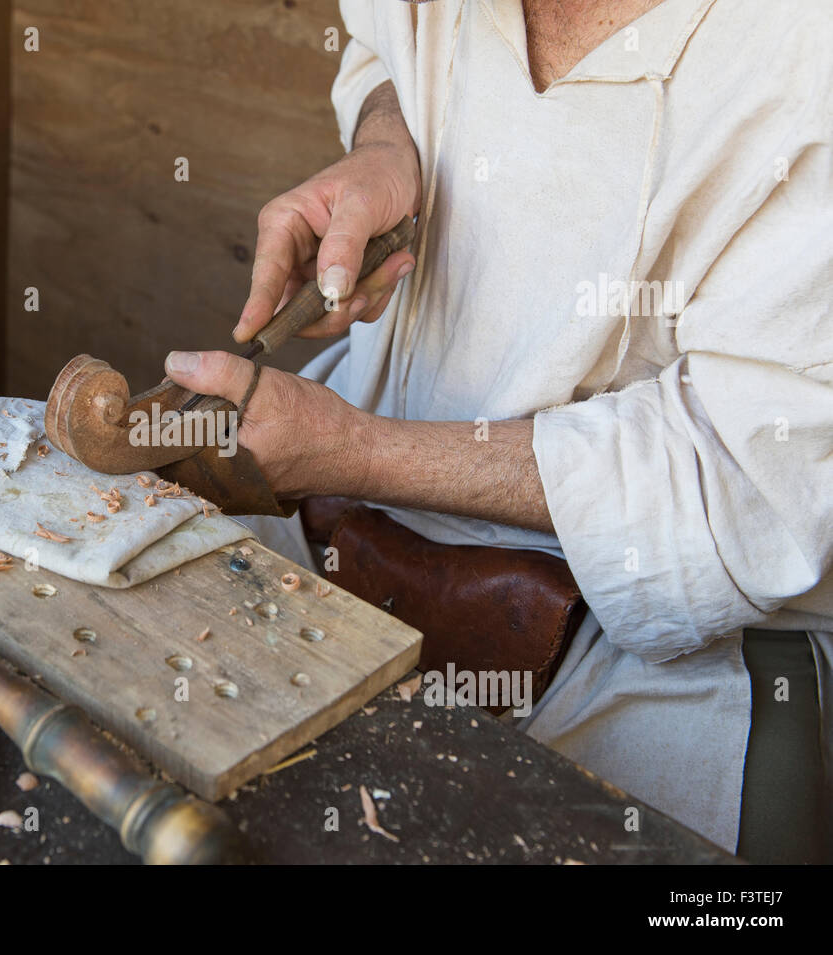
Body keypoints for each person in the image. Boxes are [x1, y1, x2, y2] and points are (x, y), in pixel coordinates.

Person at [163, 0, 832, 860]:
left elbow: (738, 484)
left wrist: (356, 451)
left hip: (640, 636)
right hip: (347, 516)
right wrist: (385, 148)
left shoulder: (801, 61)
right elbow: (385, 51)